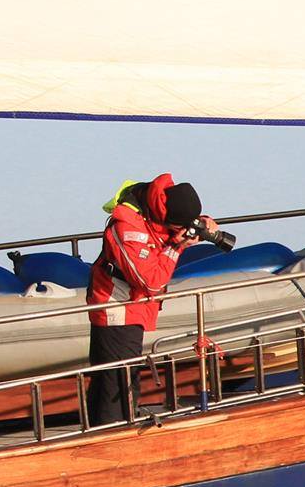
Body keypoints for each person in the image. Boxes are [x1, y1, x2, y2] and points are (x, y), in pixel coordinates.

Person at [84, 174, 220, 425]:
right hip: (117, 309)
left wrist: (202, 224)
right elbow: (150, 282)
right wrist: (177, 247)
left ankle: (101, 431)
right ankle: (113, 438)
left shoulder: (158, 204)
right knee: (118, 383)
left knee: (115, 379)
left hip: (133, 307)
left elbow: (165, 225)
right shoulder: (126, 228)